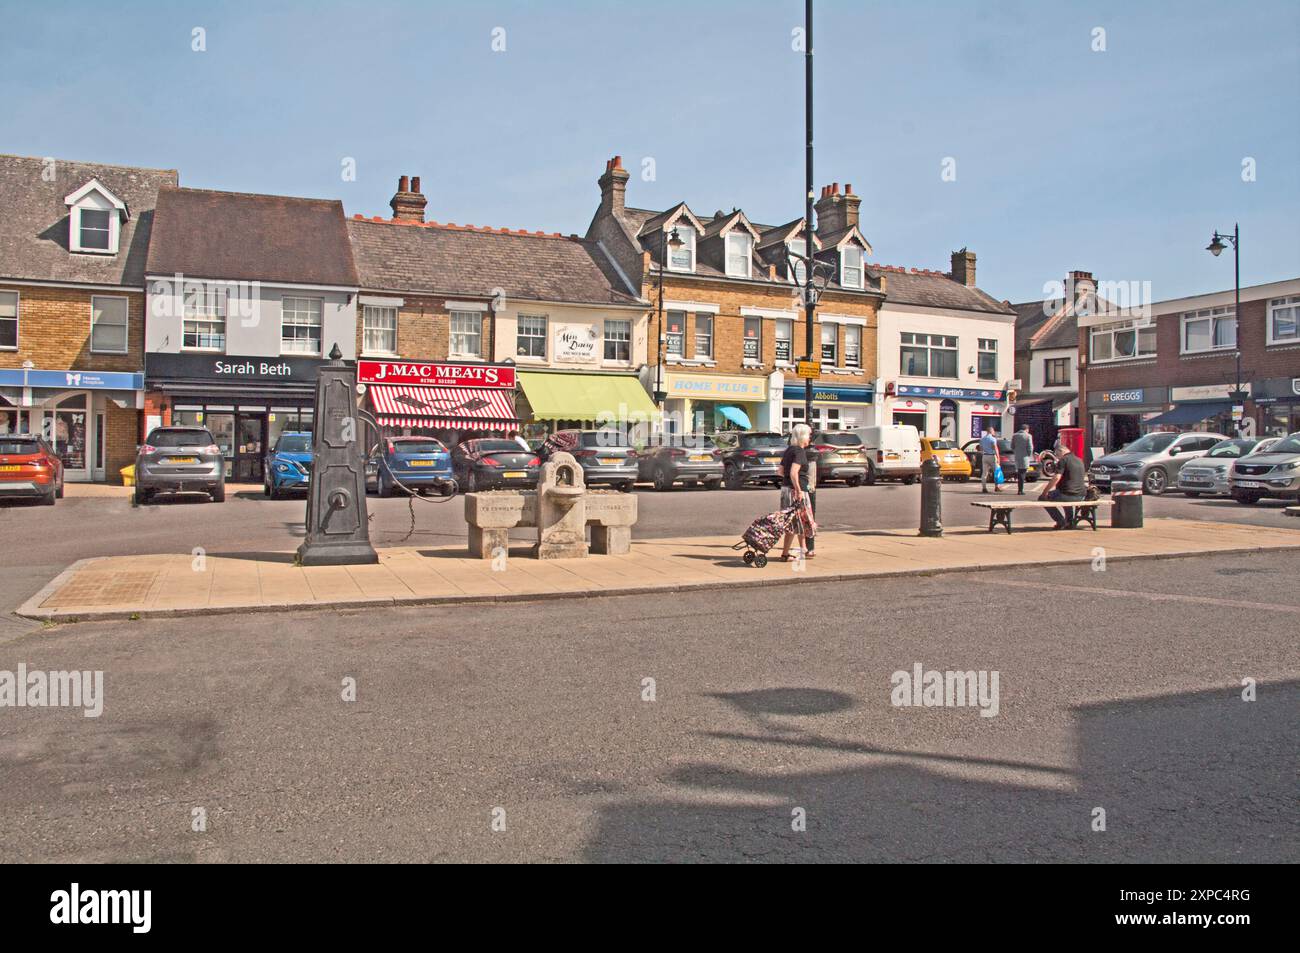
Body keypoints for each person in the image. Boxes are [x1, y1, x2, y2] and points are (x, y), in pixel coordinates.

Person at [778, 423, 815, 561]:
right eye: (809, 435)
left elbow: (780, 471)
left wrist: (790, 481)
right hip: (796, 491)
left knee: (799, 521)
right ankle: (785, 554)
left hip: (786, 490)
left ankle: (803, 549)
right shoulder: (799, 451)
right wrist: (798, 489)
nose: (810, 439)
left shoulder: (789, 450)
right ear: (803, 436)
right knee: (795, 522)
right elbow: (794, 472)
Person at [1040, 440, 1087, 528]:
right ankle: (1069, 522)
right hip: (1081, 495)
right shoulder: (1079, 460)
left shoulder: (1063, 460)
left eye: (1057, 455)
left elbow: (1056, 477)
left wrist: (1045, 492)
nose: (1058, 458)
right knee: (1066, 493)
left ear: (1061, 452)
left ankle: (1060, 521)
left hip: (1067, 495)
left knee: (1042, 499)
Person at [1011, 424, 1035, 496]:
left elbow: (1012, 446)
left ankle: (1020, 489)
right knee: (1023, 473)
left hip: (1017, 456)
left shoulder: (1015, 435)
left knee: (1019, 472)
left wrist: (1016, 452)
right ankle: (1020, 490)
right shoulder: (1028, 436)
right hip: (1025, 457)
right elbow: (1030, 447)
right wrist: (1029, 455)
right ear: (1026, 429)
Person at [979, 427, 1003, 494]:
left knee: (984, 473)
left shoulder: (982, 439)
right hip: (992, 456)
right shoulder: (993, 439)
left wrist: (983, 453)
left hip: (985, 456)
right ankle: (997, 487)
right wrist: (998, 458)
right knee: (996, 471)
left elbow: (981, 449)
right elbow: (995, 449)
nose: (994, 432)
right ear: (991, 431)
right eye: (993, 431)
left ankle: (984, 488)